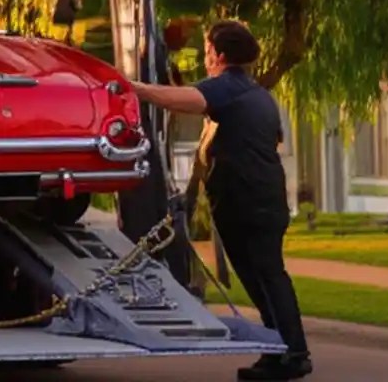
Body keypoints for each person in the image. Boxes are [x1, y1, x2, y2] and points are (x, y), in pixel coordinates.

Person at [129, 20, 312, 380]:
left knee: (268, 275)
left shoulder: (229, 86)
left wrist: (135, 89)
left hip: (249, 203)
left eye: (208, 48)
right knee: (264, 277)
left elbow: (183, 101)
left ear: (220, 54)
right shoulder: (258, 94)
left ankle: (295, 354)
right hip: (259, 200)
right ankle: (278, 348)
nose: (206, 55)